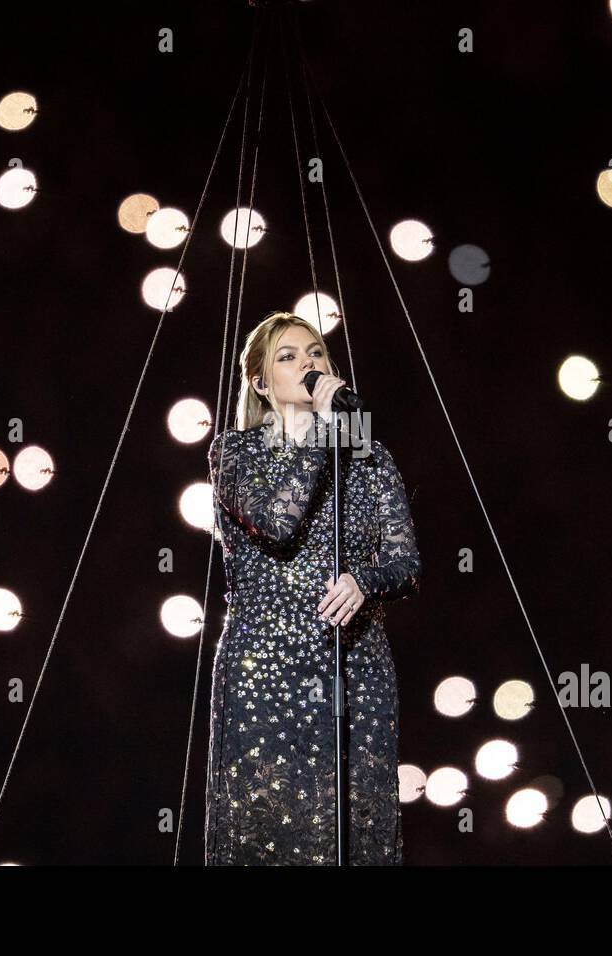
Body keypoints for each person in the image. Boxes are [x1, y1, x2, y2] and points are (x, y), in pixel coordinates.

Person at [204, 310, 422, 865]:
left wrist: (365, 580)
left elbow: (406, 564)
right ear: (260, 383)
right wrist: (323, 431)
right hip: (264, 672)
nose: (308, 363)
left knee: (352, 827)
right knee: (270, 830)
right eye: (288, 356)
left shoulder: (369, 459)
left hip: (353, 665)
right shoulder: (235, 453)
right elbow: (278, 521)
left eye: (316, 353)